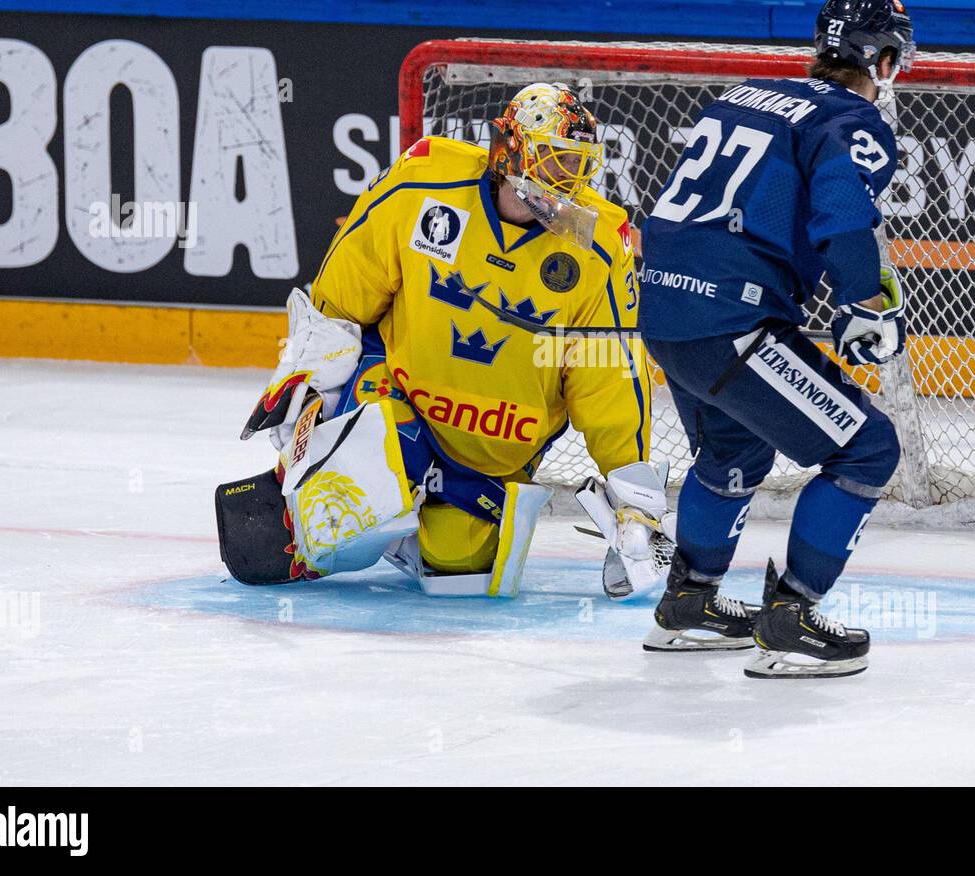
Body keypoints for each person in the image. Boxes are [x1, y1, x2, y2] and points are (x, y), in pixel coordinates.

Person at [215, 82, 670, 599]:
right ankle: (366, 490)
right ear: (510, 150)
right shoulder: (424, 183)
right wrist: (308, 381)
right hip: (395, 396)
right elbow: (347, 289)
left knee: (462, 574)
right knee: (338, 511)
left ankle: (410, 524)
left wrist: (633, 497)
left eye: (577, 167)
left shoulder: (599, 249)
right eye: (553, 162)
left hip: (493, 449)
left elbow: (608, 379)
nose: (564, 183)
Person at [636, 0, 915, 676]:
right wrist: (863, 304)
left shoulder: (742, 95)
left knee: (734, 453)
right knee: (868, 449)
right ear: (880, 60)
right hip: (732, 320)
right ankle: (791, 615)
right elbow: (844, 218)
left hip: (663, 309)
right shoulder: (850, 124)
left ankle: (690, 602)